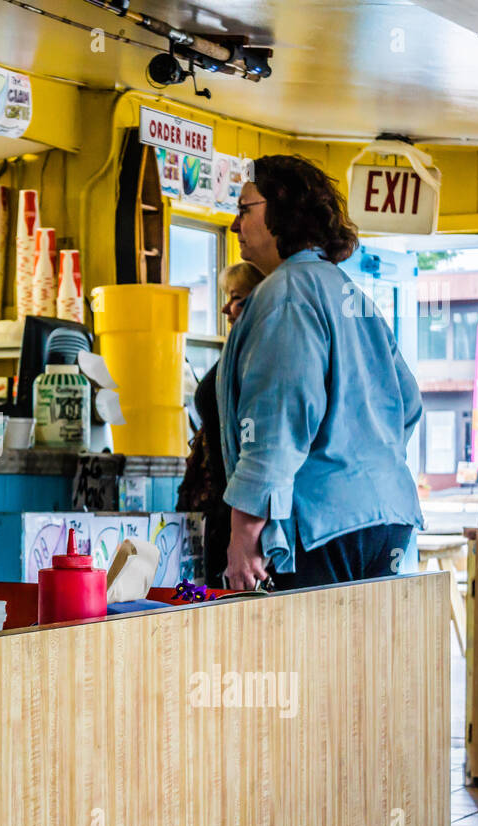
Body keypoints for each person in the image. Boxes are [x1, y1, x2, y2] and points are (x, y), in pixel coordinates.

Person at [217, 155, 423, 590]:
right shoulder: (351, 294)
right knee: (366, 637)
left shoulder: (286, 294)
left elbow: (278, 421)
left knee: (304, 638)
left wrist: (244, 532)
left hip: (322, 525)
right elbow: (408, 403)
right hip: (389, 514)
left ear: (282, 209)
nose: (235, 225)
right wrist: (367, 456)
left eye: (244, 209)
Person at [176, 261, 263, 587]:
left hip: (240, 509)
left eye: (236, 298)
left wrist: (245, 529)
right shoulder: (239, 350)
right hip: (220, 502)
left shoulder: (260, 355)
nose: (226, 308)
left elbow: (260, 444)